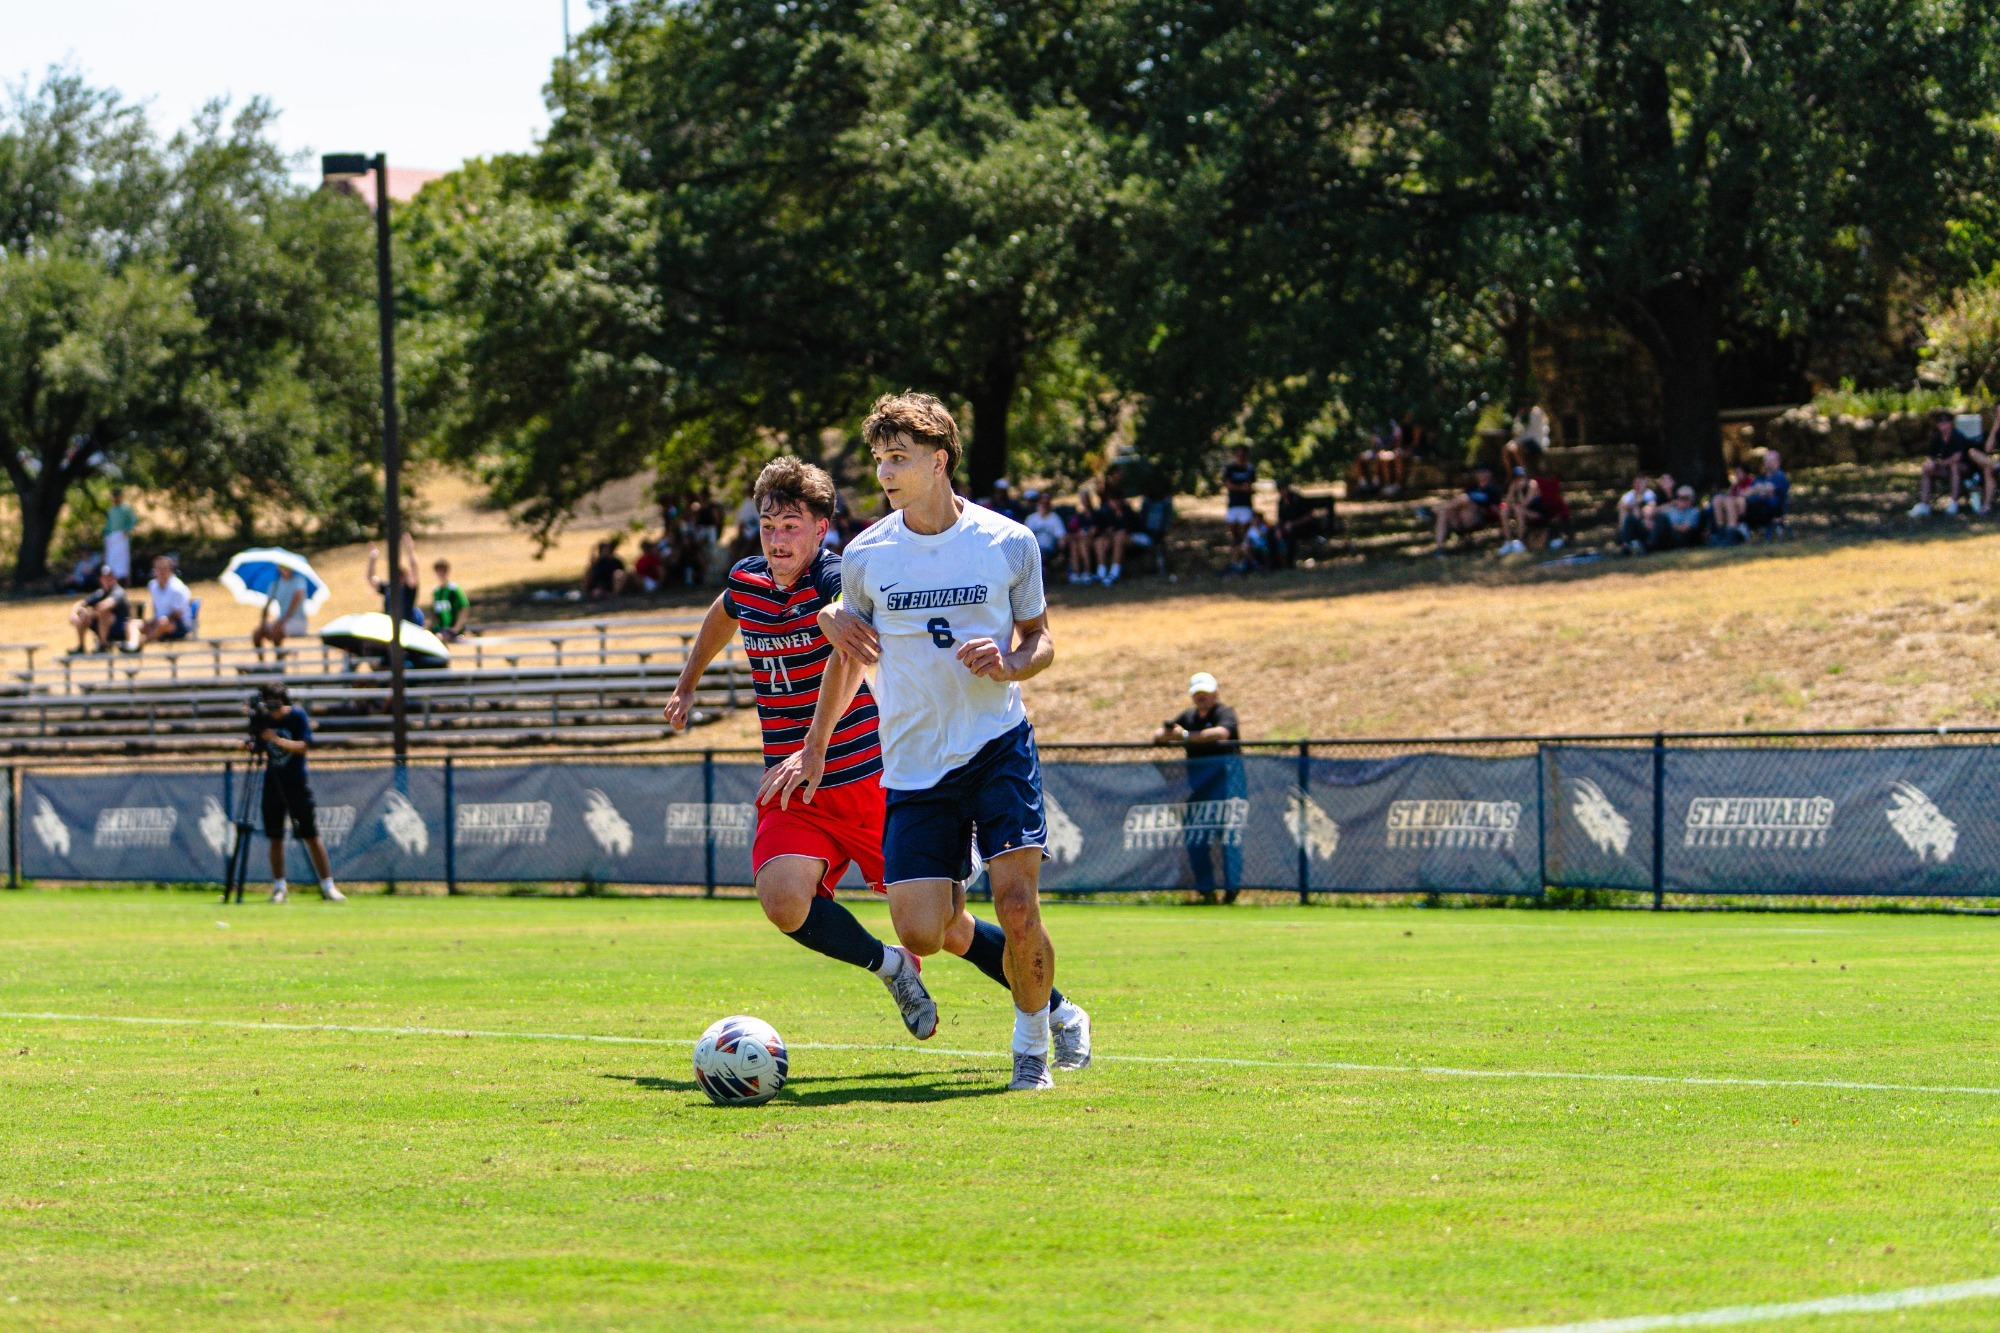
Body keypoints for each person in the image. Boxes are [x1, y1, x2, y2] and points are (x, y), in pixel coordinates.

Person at [662, 453, 1089, 1069]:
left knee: (944, 931)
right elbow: (723, 613)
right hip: (796, 783)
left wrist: (835, 617)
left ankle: (1056, 1009)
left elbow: (849, 607)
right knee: (783, 901)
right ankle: (891, 967)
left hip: (873, 781)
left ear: (820, 529)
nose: (778, 540)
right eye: (767, 525)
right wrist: (687, 682)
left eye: (791, 526)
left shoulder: (843, 574)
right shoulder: (749, 581)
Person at [799, 391, 1086, 1092]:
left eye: (898, 458)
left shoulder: (1008, 541)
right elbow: (849, 653)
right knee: (924, 930)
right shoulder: (868, 556)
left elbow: (1041, 637)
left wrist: (1014, 662)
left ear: (940, 459)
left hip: (997, 744)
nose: (886, 472)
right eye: (878, 460)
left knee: (1019, 907)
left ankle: (1032, 1048)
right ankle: (1055, 999)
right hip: (916, 765)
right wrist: (816, 744)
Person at [1152, 672, 1244, 904]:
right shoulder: (1189, 716)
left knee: (1227, 838)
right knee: (1197, 836)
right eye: (1198, 694)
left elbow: (1221, 732)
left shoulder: (1224, 712)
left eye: (1206, 693)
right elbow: (1157, 737)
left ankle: (1231, 890)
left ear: (1215, 693)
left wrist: (1185, 736)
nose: (1202, 698)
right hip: (1198, 790)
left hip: (1227, 787)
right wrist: (1171, 732)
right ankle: (1206, 890)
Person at [251, 683, 343, 903]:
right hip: (273, 783)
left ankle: (327, 884)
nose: (272, 706)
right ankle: (279, 886)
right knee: (275, 837)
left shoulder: (297, 717)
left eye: (275, 700)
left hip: (296, 783)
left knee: (310, 834)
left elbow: (303, 746)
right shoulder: (264, 719)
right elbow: (258, 747)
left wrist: (276, 739)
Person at [1432, 464, 1503, 553]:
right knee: (1444, 513)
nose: (1481, 474)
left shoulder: (1493, 490)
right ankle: (1439, 549)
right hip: (1460, 519)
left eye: (1484, 472)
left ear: (1490, 474)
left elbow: (1495, 509)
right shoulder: (1472, 487)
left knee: (1465, 498)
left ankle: (1436, 511)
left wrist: (1483, 509)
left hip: (1477, 518)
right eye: (1479, 472)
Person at [1911, 412, 1965, 518]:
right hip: (1944, 468)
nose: (1943, 424)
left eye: (1946, 421)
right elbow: (1930, 456)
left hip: (1962, 468)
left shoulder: (1957, 436)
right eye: (1940, 421)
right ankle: (1924, 504)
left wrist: (1942, 463)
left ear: (1951, 423)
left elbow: (1958, 457)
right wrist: (1931, 463)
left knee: (1954, 466)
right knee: (1927, 468)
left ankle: (1954, 503)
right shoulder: (1936, 438)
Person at [252, 564, 313, 654]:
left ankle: (279, 661)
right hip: (282, 621)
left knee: (277, 631)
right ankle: (262, 663)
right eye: (282, 567)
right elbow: (267, 605)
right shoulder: (276, 584)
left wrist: (283, 620)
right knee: (257, 634)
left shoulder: (299, 581)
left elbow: (295, 601)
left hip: (297, 620)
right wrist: (263, 621)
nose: (285, 569)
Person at [68, 566, 129, 654]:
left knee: (104, 614)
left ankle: (103, 646)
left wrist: (89, 614)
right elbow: (80, 603)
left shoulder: (118, 592)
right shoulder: (100, 593)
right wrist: (74, 613)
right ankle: (81, 647)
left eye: (109, 577)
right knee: (82, 615)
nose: (107, 580)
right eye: (104, 578)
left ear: (114, 578)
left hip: (119, 629)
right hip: (102, 628)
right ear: (100, 579)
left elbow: (106, 605)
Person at [139, 555, 194, 645]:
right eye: (158, 569)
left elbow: (177, 613)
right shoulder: (152, 586)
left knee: (162, 622)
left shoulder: (177, 588)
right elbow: (156, 608)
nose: (161, 572)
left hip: (178, 624)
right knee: (134, 624)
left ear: (170, 570)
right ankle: (131, 644)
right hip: (159, 622)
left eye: (164, 569)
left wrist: (159, 622)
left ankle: (141, 643)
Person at [367, 533, 422, 622]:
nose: (398, 577)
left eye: (401, 575)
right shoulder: (388, 587)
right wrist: (372, 559)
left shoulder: (409, 589)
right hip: (390, 626)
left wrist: (410, 549)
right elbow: (371, 579)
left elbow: (414, 568)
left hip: (406, 626)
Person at [1221, 446, 1257, 571]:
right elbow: (1228, 485)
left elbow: (1249, 485)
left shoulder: (1249, 468)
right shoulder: (1230, 468)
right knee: (1234, 534)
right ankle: (1235, 560)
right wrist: (1241, 488)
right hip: (1233, 505)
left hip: (1246, 505)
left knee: (1245, 532)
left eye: (1243, 453)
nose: (1240, 456)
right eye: (1238, 453)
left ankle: (1247, 560)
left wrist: (1238, 487)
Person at [1742, 449, 1790, 536]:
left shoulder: (1780, 477)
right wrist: (1759, 489)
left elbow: (1770, 490)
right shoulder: (1759, 478)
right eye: (1766, 461)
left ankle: (1739, 532)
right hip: (1754, 506)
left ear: (1778, 462)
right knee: (1736, 502)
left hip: (1771, 509)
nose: (1768, 463)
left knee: (1744, 503)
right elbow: (1745, 492)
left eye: (1771, 460)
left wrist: (1756, 490)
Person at [1651, 485, 1709, 549]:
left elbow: (1685, 528)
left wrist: (1670, 526)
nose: (1681, 500)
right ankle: (1651, 544)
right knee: (1660, 518)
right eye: (1679, 497)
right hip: (1668, 536)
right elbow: (1654, 513)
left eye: (1685, 498)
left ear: (1691, 499)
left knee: (1662, 521)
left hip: (1682, 538)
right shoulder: (1671, 510)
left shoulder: (1694, 511)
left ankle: (1651, 545)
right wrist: (1671, 504)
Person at [1496, 467, 1536, 555]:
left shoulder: (1532, 485)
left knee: (1518, 509)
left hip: (1535, 512)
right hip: (1520, 510)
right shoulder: (1513, 485)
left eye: (1521, 477)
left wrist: (1519, 491)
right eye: (1516, 478)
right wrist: (1511, 490)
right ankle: (1508, 541)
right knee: (1504, 510)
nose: (1518, 480)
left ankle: (1520, 540)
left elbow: (1525, 503)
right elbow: (1506, 502)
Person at [1709, 463, 1754, 540]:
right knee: (1717, 499)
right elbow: (1729, 494)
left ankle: (1731, 532)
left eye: (1739, 472)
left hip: (1742, 506)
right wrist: (1733, 486)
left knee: (1728, 501)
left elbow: (1745, 495)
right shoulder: (1735, 485)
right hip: (1731, 504)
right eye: (1736, 472)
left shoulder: (1750, 482)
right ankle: (1720, 529)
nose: (1737, 475)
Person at [428, 559, 470, 642]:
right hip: (440, 629)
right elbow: (435, 612)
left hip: (451, 628)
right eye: (438, 571)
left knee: (439, 639)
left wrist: (455, 628)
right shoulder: (436, 591)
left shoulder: (453, 589)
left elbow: (464, 608)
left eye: (443, 570)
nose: (440, 573)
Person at [1615, 474, 1658, 554]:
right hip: (1632, 523)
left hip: (1644, 524)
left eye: (1640, 483)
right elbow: (1621, 506)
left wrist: (1636, 505)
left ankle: (1629, 544)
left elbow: (1650, 508)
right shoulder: (1629, 495)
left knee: (1636, 513)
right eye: (1636, 483)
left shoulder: (1649, 494)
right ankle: (1626, 545)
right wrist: (1635, 503)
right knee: (1627, 517)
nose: (1637, 485)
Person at [102, 488, 136, 582]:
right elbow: (108, 524)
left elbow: (133, 520)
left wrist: (127, 529)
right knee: (111, 560)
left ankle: (127, 582)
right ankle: (112, 581)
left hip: (122, 537)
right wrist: (105, 533)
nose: (115, 498)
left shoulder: (126, 508)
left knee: (124, 560)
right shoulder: (111, 510)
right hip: (112, 538)